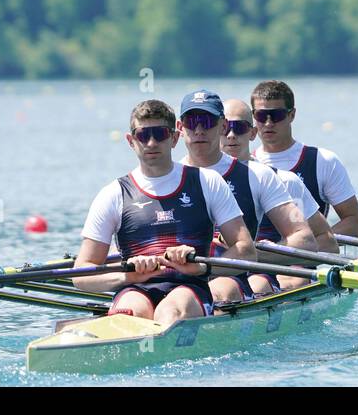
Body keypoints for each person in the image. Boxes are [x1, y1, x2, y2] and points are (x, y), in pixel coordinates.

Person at [71, 99, 254, 322]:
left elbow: (245, 250)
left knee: (168, 313)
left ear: (174, 138)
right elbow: (81, 275)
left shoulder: (207, 182)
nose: (151, 143)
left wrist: (200, 267)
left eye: (160, 134)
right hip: (135, 289)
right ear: (131, 141)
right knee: (128, 314)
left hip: (189, 287)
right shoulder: (113, 194)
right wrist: (128, 275)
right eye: (143, 135)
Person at [178, 90, 318, 301]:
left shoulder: (260, 176)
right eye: (191, 121)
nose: (199, 129)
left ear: (222, 126)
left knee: (224, 291)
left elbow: (305, 240)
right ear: (180, 128)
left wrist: (247, 253)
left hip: (237, 278)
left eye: (207, 122)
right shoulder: (167, 178)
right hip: (178, 275)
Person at [220, 97, 340, 257]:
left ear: (253, 133)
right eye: (225, 128)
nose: (231, 135)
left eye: (239, 127)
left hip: (271, 273)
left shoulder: (284, 181)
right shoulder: (198, 179)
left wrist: (261, 255)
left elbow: (327, 242)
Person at [250, 79, 358, 239]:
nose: (269, 123)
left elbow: (356, 224)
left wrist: (314, 243)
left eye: (277, 115)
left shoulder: (323, 161)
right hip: (255, 260)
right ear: (253, 117)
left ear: (292, 115)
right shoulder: (244, 165)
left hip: (304, 261)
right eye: (261, 116)